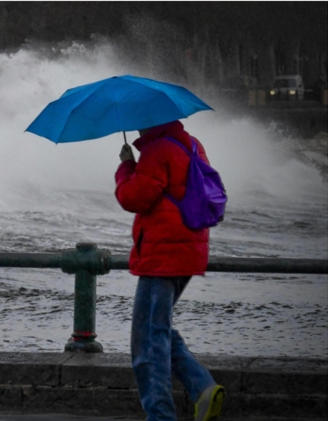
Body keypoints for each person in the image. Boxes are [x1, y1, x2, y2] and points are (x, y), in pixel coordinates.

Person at [114, 120, 225, 421]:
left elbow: (133, 197)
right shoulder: (191, 144)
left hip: (163, 254)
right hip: (188, 249)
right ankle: (202, 387)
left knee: (147, 339)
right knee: (155, 329)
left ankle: (160, 415)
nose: (135, 128)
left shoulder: (157, 150)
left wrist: (126, 168)